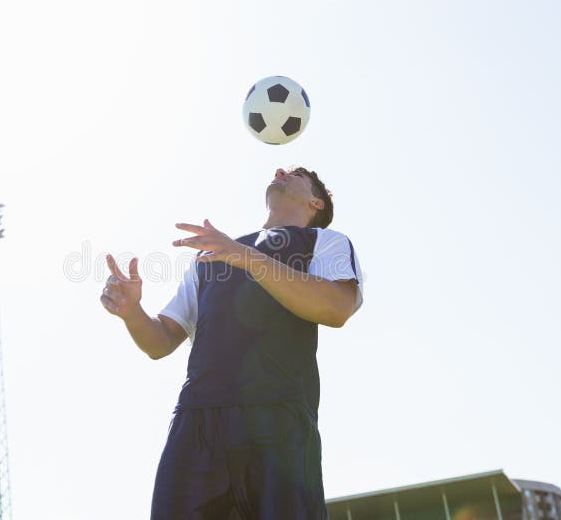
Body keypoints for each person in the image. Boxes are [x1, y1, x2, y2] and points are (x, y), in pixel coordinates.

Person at [100, 166, 364, 519]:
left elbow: (336, 308)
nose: (280, 171)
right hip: (197, 421)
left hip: (279, 419)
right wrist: (132, 311)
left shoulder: (324, 241)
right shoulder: (213, 255)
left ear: (316, 202)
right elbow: (160, 341)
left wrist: (245, 257)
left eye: (297, 173)